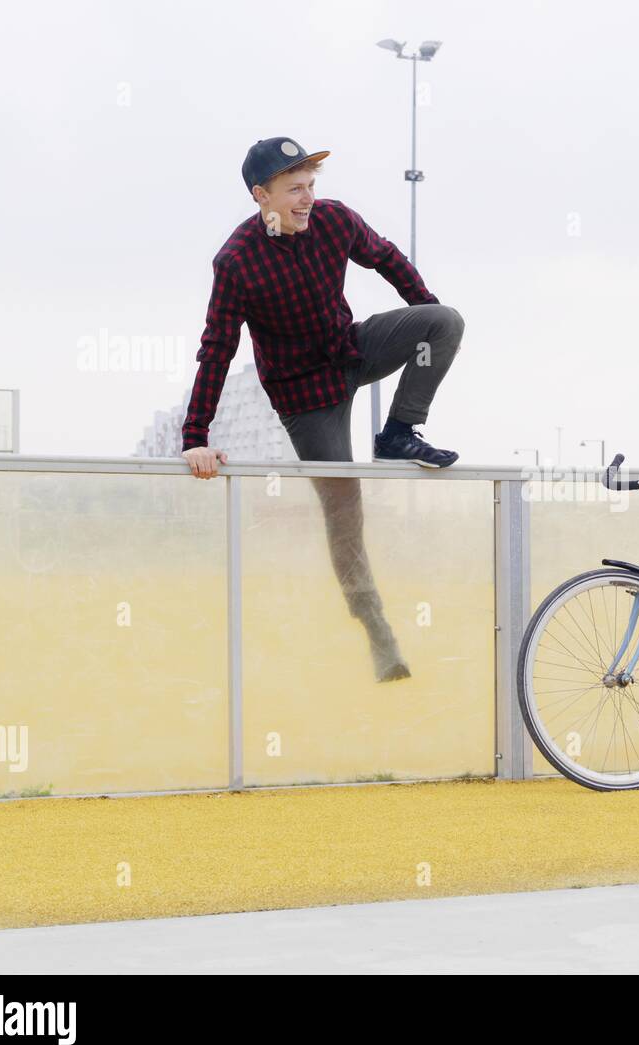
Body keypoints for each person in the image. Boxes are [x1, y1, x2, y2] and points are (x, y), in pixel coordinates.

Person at [180, 136, 465, 681]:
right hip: (305, 396)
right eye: (294, 189)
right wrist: (196, 434)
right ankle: (379, 634)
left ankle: (399, 432)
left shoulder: (334, 221)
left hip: (351, 351)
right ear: (261, 195)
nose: (307, 198)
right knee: (345, 511)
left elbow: (386, 258)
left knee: (443, 321)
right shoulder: (237, 262)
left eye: (311, 186)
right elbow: (217, 346)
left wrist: (422, 314)